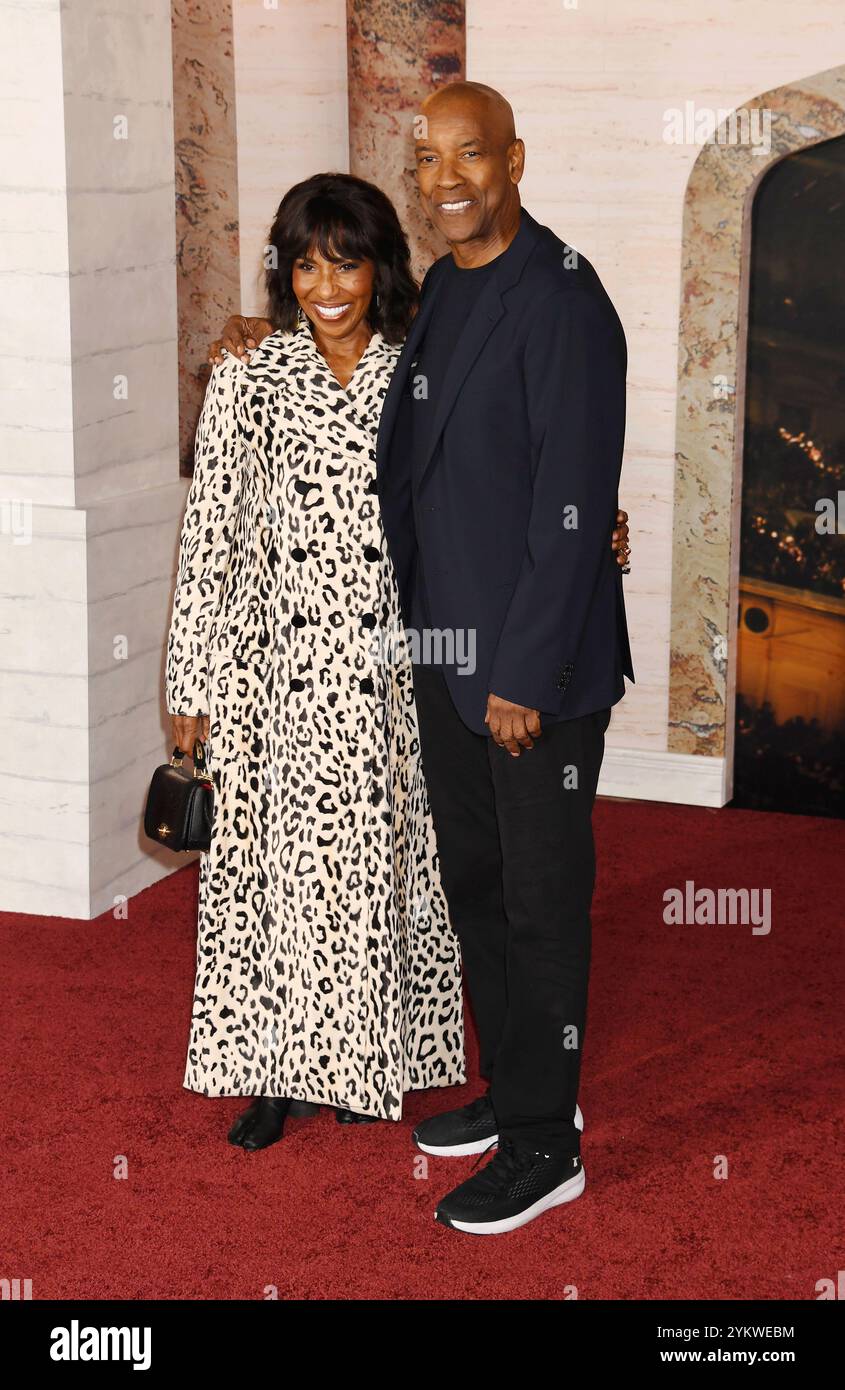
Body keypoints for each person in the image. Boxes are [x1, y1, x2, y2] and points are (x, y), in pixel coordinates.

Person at [204, 93, 633, 1202]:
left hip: (526, 677)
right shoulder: (444, 291)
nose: (446, 176)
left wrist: (524, 674)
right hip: (443, 658)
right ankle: (517, 1085)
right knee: (477, 888)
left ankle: (546, 1146)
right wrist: (264, 333)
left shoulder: (564, 297)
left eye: (469, 155)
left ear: (514, 162)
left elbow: (572, 500)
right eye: (428, 157)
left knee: (540, 902)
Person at [165, 174, 467, 1151]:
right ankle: (272, 1075)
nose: (325, 283)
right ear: (283, 270)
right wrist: (191, 683)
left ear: (378, 265)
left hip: (385, 673)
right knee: (271, 881)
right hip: (268, 672)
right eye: (304, 261)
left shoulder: (416, 370)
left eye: (344, 258)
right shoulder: (251, 374)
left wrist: (592, 526)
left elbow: (473, 500)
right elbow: (210, 533)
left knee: (373, 875)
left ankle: (361, 1058)